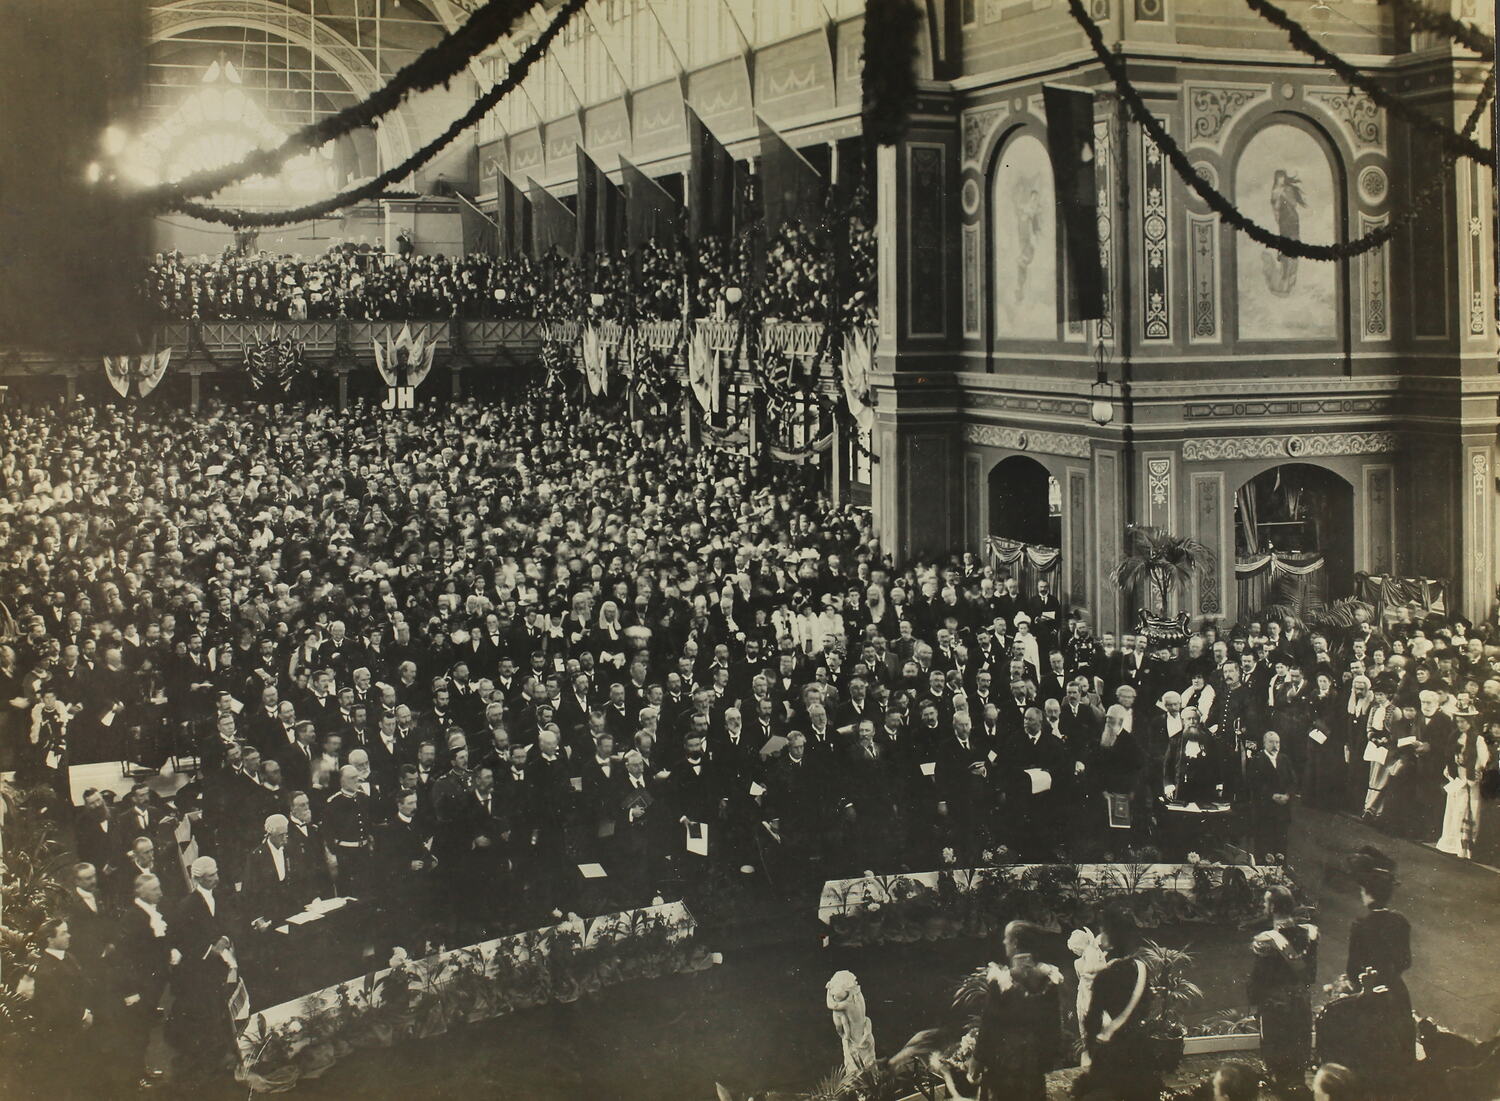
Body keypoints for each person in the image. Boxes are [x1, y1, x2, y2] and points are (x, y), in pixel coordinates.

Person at [971, 920, 1063, 1101]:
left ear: (1015, 943)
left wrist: (977, 1059)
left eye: (1007, 938)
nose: (1004, 943)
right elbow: (1054, 1024)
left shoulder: (1002, 980)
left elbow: (989, 1024)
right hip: (1035, 1061)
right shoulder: (1048, 978)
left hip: (1004, 1063)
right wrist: (1051, 1057)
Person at [1076, 906, 1159, 1101]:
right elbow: (1145, 1007)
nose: (1100, 935)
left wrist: (1091, 1048)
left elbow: (1092, 1022)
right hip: (1138, 1049)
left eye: (1104, 930)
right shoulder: (1142, 968)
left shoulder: (1104, 976)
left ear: (1112, 939)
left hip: (1112, 1055)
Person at [1344, 864, 1414, 1077]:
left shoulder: (1361, 925)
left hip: (1370, 989)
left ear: (1368, 894)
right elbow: (1405, 961)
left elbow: (1352, 969)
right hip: (1395, 988)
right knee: (1400, 1040)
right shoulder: (1400, 921)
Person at [1249, 885, 1318, 1099]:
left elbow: (1258, 979)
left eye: (1265, 902)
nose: (1262, 905)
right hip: (1301, 1002)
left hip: (1275, 1005)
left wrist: (1254, 1002)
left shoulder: (1266, 940)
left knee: (1277, 1055)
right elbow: (1311, 974)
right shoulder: (1311, 934)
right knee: (1298, 1052)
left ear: (1272, 908)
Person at [30, 917, 99, 1098]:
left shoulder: (68, 957)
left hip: (77, 1027)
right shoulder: (46, 970)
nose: (69, 936)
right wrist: (83, 1014)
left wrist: (88, 1010)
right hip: (61, 1035)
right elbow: (59, 1006)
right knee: (65, 1083)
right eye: (64, 933)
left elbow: (84, 986)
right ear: (49, 940)